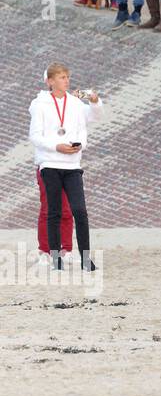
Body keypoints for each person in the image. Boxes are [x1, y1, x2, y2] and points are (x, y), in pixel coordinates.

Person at [30, 63, 103, 271]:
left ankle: (86, 259)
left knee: (79, 211)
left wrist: (95, 101)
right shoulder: (41, 104)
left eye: (67, 77)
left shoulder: (75, 103)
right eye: (61, 77)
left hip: (72, 165)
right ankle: (54, 258)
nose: (66, 81)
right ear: (50, 81)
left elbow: (93, 118)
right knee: (53, 211)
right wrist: (56, 146)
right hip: (50, 164)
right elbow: (34, 136)